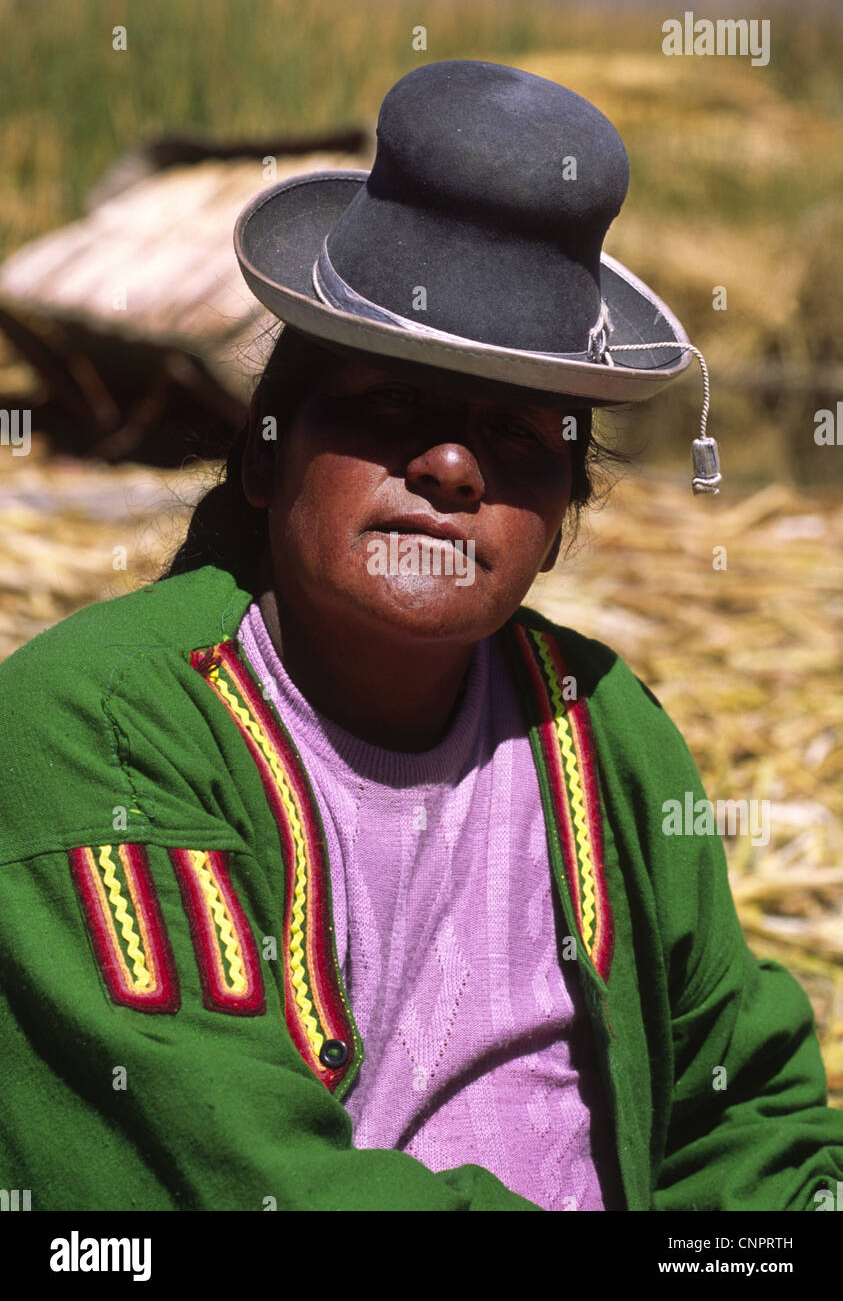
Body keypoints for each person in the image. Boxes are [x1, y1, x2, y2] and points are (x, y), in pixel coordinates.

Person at [0, 59, 840, 1213]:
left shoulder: (601, 732)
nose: (449, 467)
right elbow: (248, 1179)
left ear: (557, 524)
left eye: (513, 434)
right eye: (392, 405)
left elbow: (744, 1112)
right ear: (264, 452)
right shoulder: (95, 734)